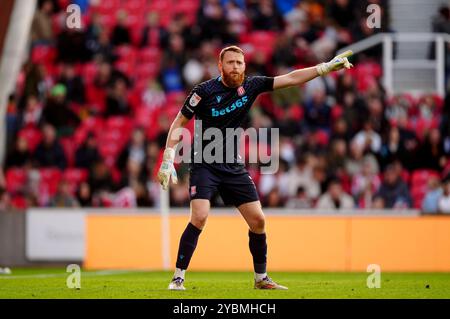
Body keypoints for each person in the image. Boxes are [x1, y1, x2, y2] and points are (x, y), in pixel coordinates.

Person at [157, 45, 353, 290]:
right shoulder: (203, 91)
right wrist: (168, 157)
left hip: (233, 165)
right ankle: (178, 278)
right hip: (204, 162)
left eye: (240, 62)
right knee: (199, 216)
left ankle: (261, 278)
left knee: (258, 221)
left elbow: (291, 78)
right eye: (230, 62)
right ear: (221, 66)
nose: (236, 67)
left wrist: (323, 68)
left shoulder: (251, 86)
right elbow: (180, 121)